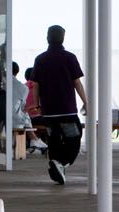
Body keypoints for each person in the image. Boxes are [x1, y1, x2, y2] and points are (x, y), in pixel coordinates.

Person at [31, 25, 88, 185]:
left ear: (47, 37)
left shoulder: (40, 59)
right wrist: (86, 101)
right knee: (74, 138)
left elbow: (35, 84)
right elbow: (77, 83)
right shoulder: (69, 57)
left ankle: (57, 163)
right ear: (63, 37)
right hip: (67, 110)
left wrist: (37, 104)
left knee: (54, 139)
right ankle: (61, 163)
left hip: (48, 111)